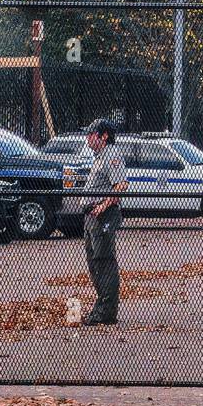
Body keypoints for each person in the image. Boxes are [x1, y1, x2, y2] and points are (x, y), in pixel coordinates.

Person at [81, 118, 127, 327]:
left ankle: (107, 311)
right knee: (94, 263)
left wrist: (104, 205)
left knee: (104, 262)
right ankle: (101, 307)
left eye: (91, 133)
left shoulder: (111, 155)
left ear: (104, 135)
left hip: (103, 217)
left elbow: (121, 185)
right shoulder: (99, 157)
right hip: (92, 216)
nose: (87, 138)